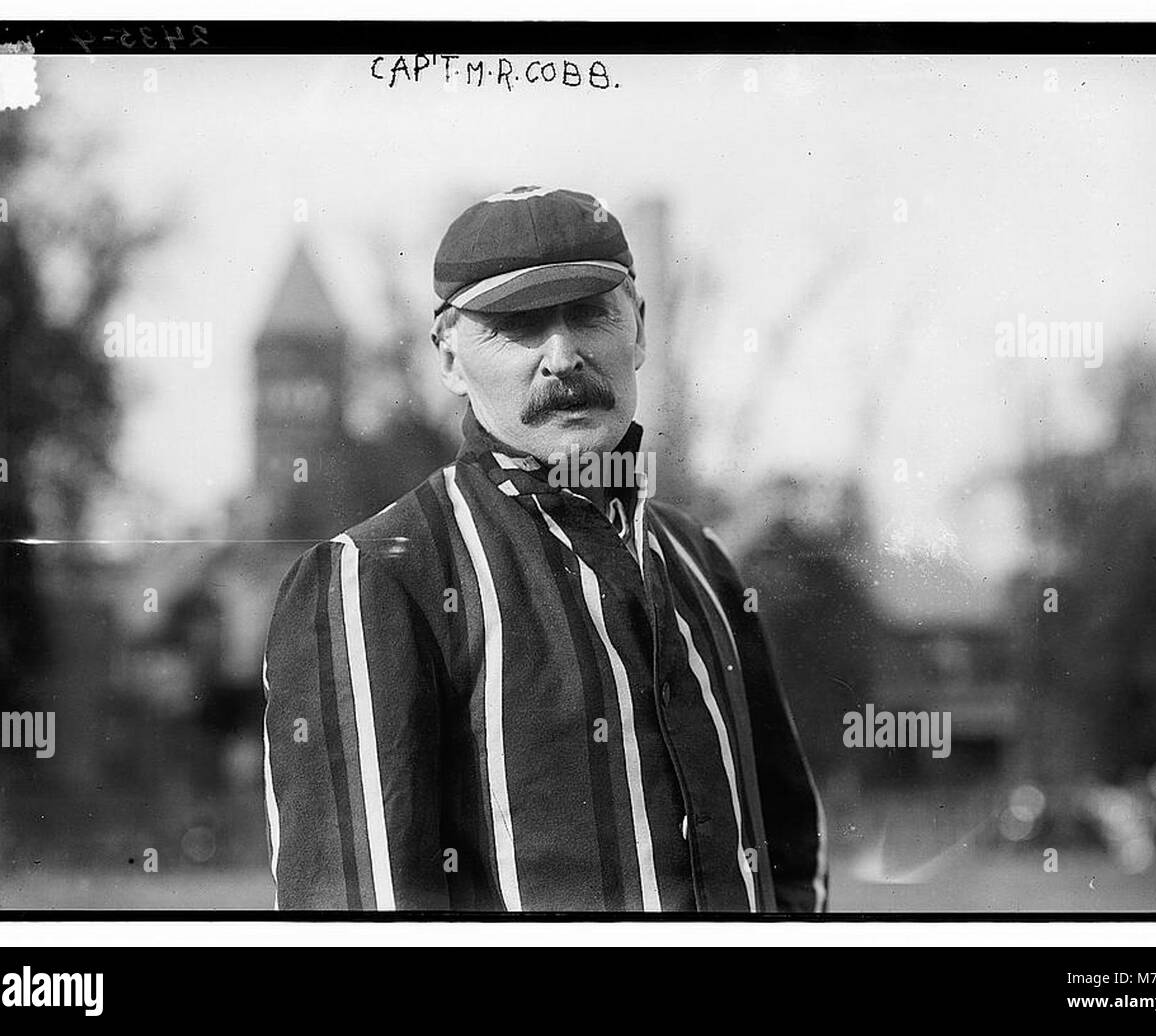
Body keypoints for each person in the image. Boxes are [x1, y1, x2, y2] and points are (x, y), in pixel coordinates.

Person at [262, 184, 828, 912]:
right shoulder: (374, 578)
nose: (562, 358)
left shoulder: (700, 561)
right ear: (449, 357)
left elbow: (789, 854)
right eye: (515, 326)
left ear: (640, 330)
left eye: (591, 313)